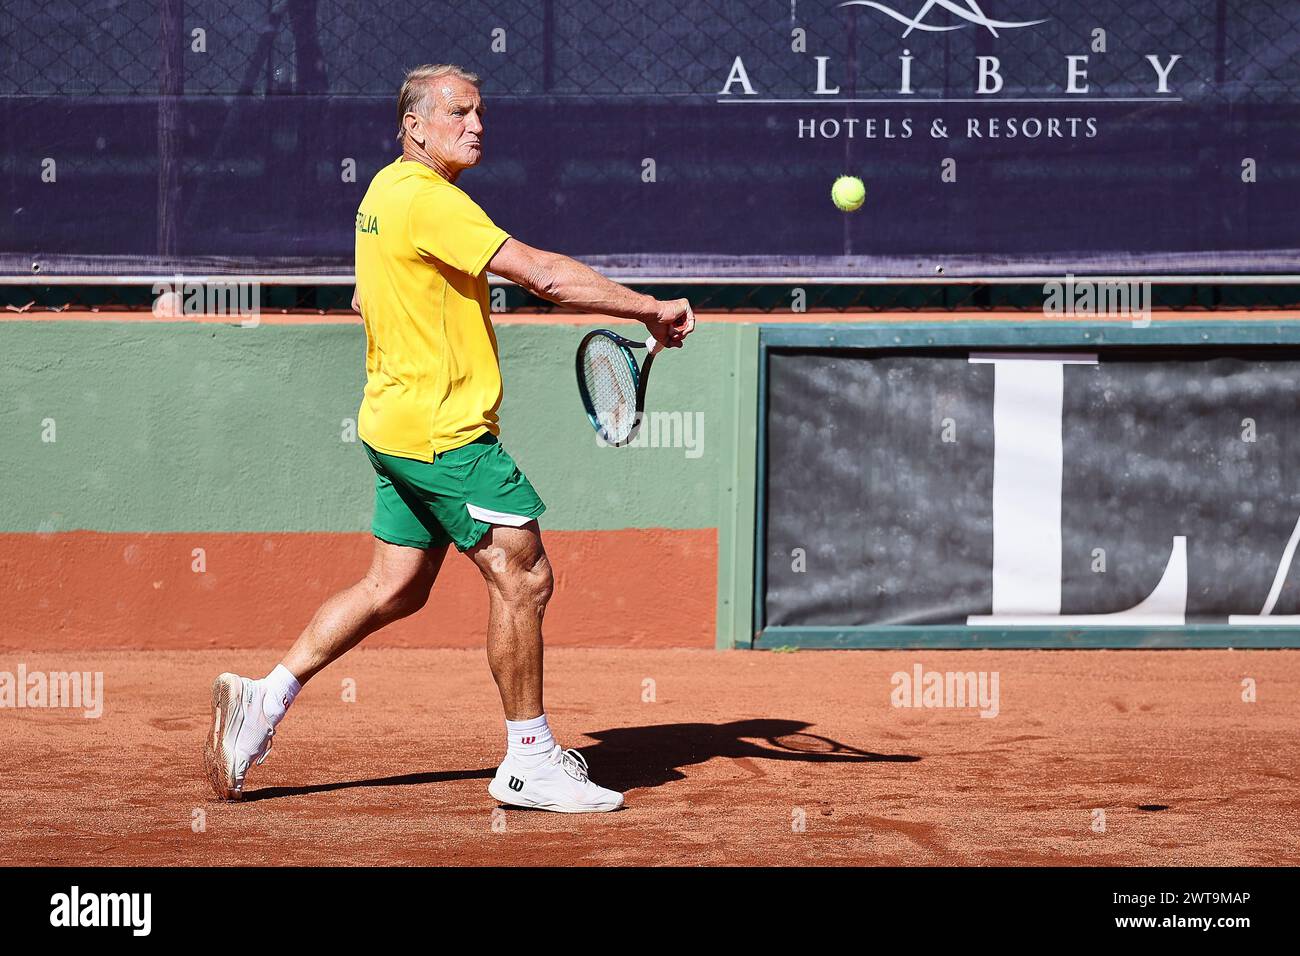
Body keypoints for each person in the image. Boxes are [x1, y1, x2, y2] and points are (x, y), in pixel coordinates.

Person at [203, 63, 694, 812]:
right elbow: (545, 278)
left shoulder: (380, 195)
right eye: (460, 112)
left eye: (480, 113)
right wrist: (649, 308)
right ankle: (530, 758)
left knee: (393, 586)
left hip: (393, 422)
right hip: (443, 433)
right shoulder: (431, 203)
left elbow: (368, 295)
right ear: (416, 127)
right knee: (523, 574)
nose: (476, 125)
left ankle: (262, 700)